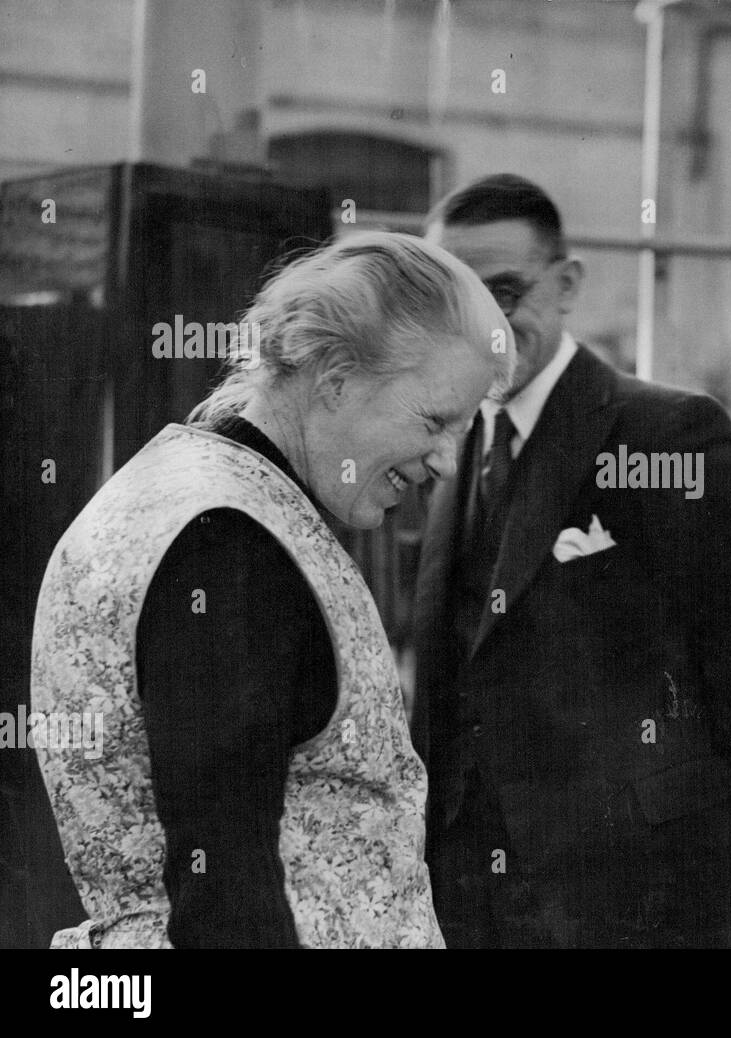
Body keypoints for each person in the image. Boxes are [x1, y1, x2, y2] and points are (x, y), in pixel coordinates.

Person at [30, 232, 513, 948]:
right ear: (336, 377)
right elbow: (224, 887)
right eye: (435, 420)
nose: (447, 460)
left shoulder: (195, 502)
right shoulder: (227, 543)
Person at [412, 173, 731, 948]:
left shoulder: (667, 433)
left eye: (506, 293)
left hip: (640, 899)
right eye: (456, 306)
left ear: (567, 286)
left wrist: (707, 861)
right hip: (474, 901)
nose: (484, 329)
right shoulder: (450, 447)